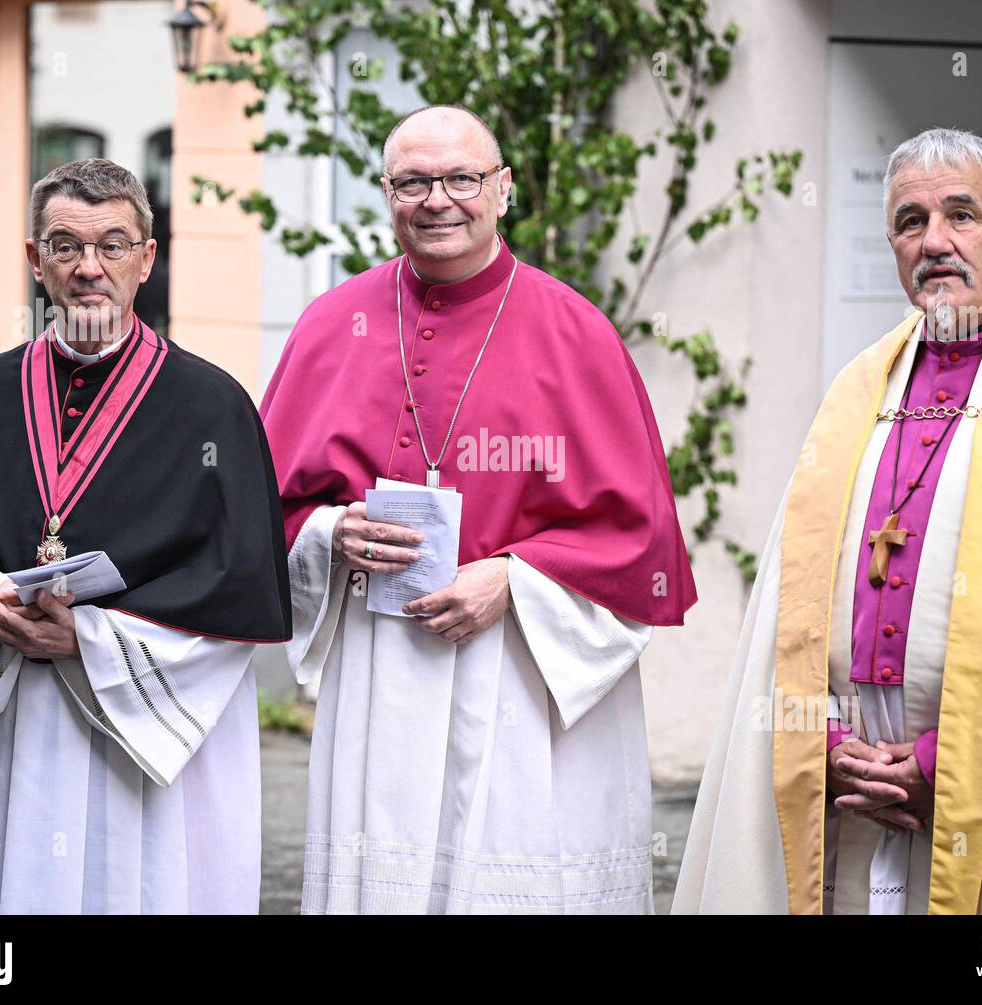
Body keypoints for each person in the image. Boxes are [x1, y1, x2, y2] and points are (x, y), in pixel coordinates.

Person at [673, 127, 982, 915]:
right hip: (848, 792)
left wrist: (944, 764)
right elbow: (788, 616)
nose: (934, 241)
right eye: (910, 222)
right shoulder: (858, 389)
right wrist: (823, 745)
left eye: (960, 215)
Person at [261, 104, 696, 914]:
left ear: (501, 190)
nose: (438, 200)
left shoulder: (577, 333)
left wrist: (517, 578)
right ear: (387, 194)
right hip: (376, 660)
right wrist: (329, 533)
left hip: (521, 672)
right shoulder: (331, 325)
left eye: (461, 178)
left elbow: (640, 540)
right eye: (413, 182)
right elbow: (258, 513)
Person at [0, 158, 291, 913]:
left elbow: (241, 585)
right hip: (13, 723)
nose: (89, 267)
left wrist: (93, 640)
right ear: (36, 261)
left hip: (148, 742)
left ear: (147, 259)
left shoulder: (213, 408)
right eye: (66, 245)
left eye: (113, 244)